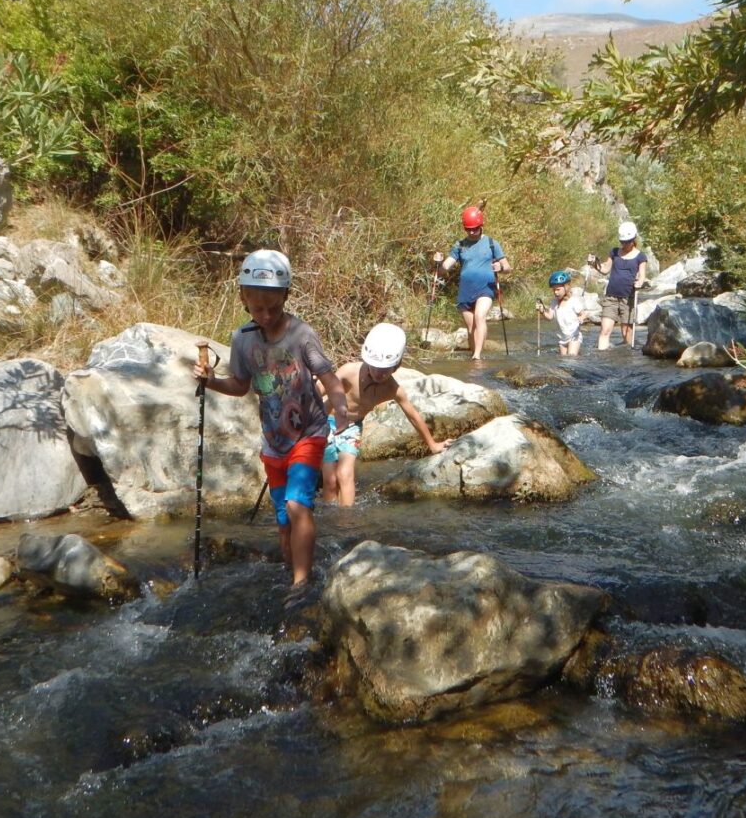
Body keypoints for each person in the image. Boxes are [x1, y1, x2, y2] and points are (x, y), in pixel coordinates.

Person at [191, 249, 351, 608]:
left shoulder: (301, 335)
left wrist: (339, 408)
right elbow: (240, 385)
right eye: (257, 307)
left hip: (308, 433)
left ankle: (301, 583)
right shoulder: (242, 340)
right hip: (273, 442)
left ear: (286, 297)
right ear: (243, 298)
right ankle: (290, 572)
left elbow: (329, 377)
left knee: (297, 505)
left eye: (273, 307)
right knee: (282, 522)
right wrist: (211, 381)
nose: (265, 315)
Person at [319, 323, 443, 506]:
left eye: (385, 370)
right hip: (326, 421)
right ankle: (330, 522)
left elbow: (413, 416)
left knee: (345, 474)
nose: (378, 373)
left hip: (352, 427)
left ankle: (345, 522)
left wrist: (432, 444)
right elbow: (321, 389)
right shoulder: (349, 371)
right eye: (375, 367)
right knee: (329, 480)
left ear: (397, 365)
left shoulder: (393, 389)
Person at [436, 205, 511, 362]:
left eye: (475, 229)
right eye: (468, 229)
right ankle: (474, 355)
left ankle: (477, 356)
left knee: (479, 316)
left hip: (486, 289)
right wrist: (438, 262)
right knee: (471, 329)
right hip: (466, 292)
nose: (471, 232)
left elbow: (507, 267)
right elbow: (444, 269)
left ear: (481, 225)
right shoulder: (459, 245)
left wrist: (500, 267)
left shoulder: (492, 243)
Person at [587, 221, 647, 350]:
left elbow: (642, 276)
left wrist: (639, 282)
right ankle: (602, 358)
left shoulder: (641, 257)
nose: (624, 244)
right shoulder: (614, 252)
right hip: (611, 298)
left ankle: (626, 360)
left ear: (634, 239)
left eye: (627, 242)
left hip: (628, 299)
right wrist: (594, 264)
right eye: (622, 242)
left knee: (627, 333)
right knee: (605, 330)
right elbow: (604, 269)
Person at [536, 270, 584, 356]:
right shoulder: (554, 302)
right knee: (563, 362)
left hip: (574, 337)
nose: (555, 292)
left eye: (558, 289)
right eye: (554, 290)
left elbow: (584, 313)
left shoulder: (573, 301)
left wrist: (582, 317)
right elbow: (550, 317)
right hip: (562, 339)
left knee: (570, 359)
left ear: (566, 287)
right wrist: (542, 311)